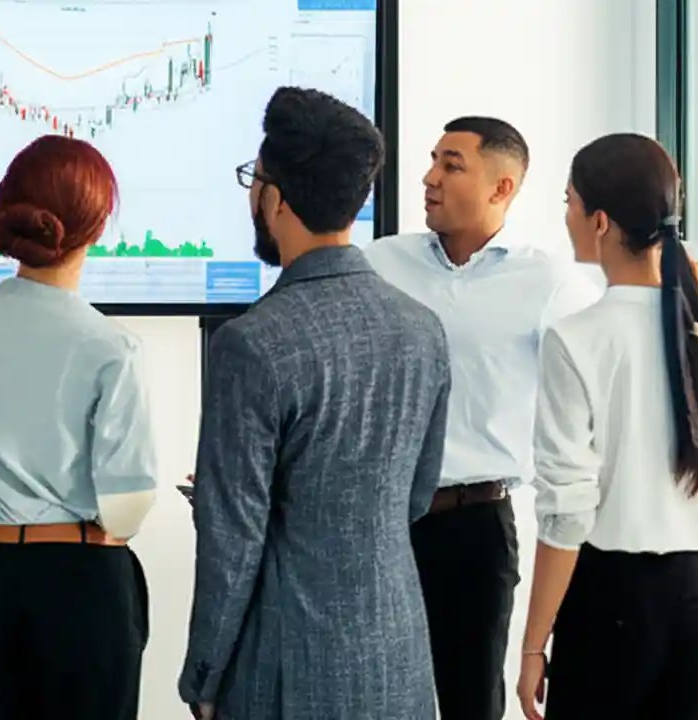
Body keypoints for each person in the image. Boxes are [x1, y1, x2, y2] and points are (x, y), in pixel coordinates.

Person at [179, 86, 451, 720]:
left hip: (284, 670)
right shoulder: (422, 327)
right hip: (397, 658)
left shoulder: (250, 344)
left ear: (273, 197)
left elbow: (233, 540)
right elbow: (414, 495)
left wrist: (204, 678)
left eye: (255, 179)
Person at [0, 114, 157, 719]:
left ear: (8, 213)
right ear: (96, 229)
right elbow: (127, 506)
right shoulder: (111, 348)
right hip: (83, 582)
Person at [362, 116, 601, 720]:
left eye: (451, 164)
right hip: (382, 521)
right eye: (433, 160)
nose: (428, 177)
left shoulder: (547, 282)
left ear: (503, 188)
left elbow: (598, 394)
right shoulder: (379, 264)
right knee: (372, 697)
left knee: (472, 701)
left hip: (477, 525)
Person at [516, 133, 698, 720]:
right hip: (697, 599)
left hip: (612, 600)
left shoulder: (576, 338)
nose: (566, 216)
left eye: (568, 201)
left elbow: (567, 510)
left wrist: (534, 645)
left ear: (599, 221)